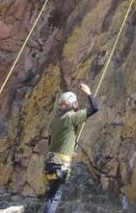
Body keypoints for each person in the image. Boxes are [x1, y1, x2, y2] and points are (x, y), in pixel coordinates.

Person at [42, 83, 100, 213]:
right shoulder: (72, 117)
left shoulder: (56, 119)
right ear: (73, 104)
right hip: (60, 166)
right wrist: (89, 93)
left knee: (51, 196)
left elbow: (50, 140)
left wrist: (67, 147)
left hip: (49, 164)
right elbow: (95, 108)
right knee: (55, 198)